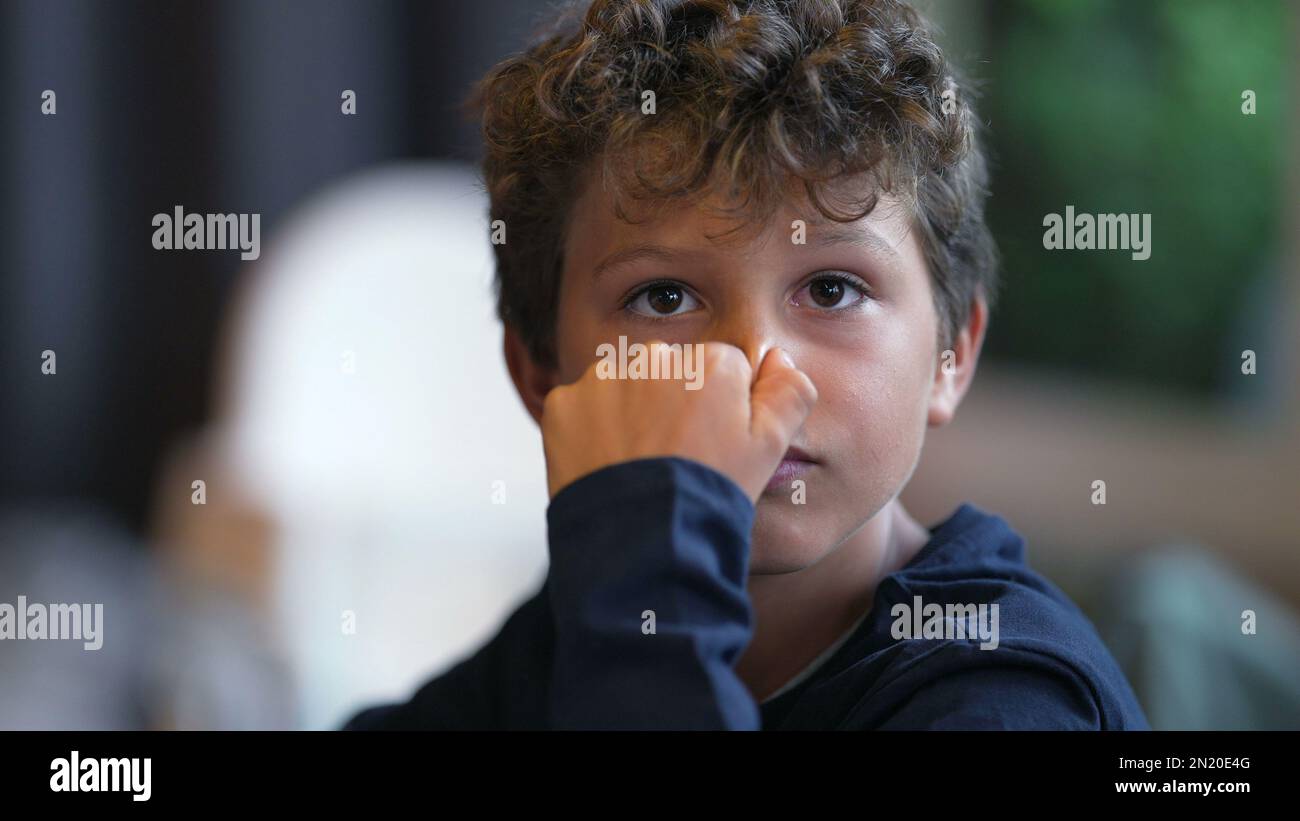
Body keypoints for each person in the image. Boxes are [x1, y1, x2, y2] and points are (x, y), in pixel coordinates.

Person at [345, 0, 1149, 730]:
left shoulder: (1005, 695)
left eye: (832, 289)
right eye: (663, 298)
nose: (757, 370)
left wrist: (645, 601)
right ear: (541, 375)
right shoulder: (569, 636)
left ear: (952, 354)